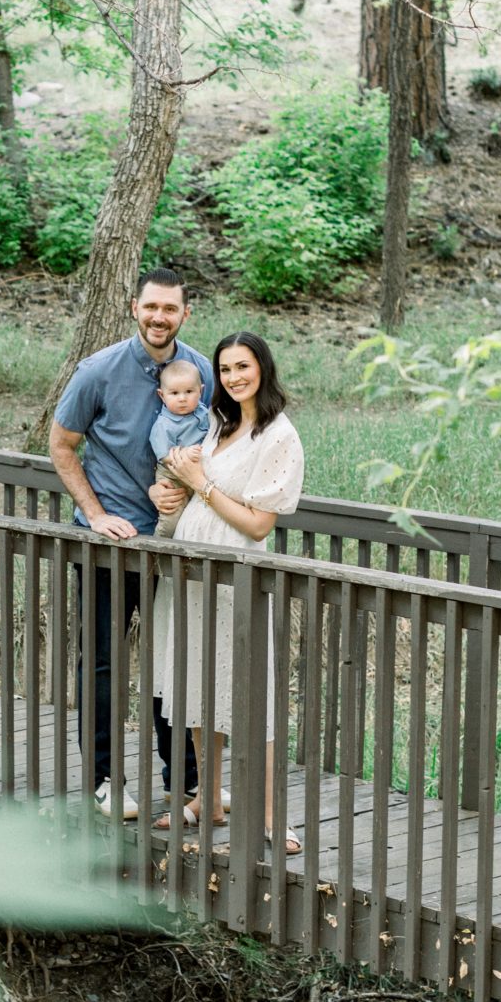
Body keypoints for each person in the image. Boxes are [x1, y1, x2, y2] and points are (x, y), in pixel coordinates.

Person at [49, 270, 212, 815]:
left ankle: (184, 782)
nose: (159, 317)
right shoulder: (97, 371)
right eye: (151, 307)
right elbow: (62, 445)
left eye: (170, 308)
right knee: (103, 662)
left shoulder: (202, 373)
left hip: (174, 544)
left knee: (174, 661)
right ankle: (104, 780)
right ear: (133, 308)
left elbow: (218, 447)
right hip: (109, 544)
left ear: (185, 313)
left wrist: (188, 493)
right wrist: (96, 515)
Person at [151, 331, 303, 852]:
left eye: (243, 366)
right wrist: (170, 487)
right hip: (193, 573)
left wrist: (201, 483)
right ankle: (208, 799)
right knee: (199, 682)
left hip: (238, 574)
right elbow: (191, 481)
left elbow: (259, 524)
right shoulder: (219, 423)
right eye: (225, 369)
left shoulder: (278, 435)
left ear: (263, 367)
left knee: (250, 691)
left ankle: (270, 813)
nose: (234, 377)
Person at [149, 360, 211, 540]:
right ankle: (158, 548)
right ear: (162, 395)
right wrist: (185, 454)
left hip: (199, 475)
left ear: (200, 391)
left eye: (189, 392)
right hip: (173, 477)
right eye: (174, 393)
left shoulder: (203, 412)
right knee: (171, 520)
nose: (182, 398)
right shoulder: (164, 425)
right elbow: (165, 456)